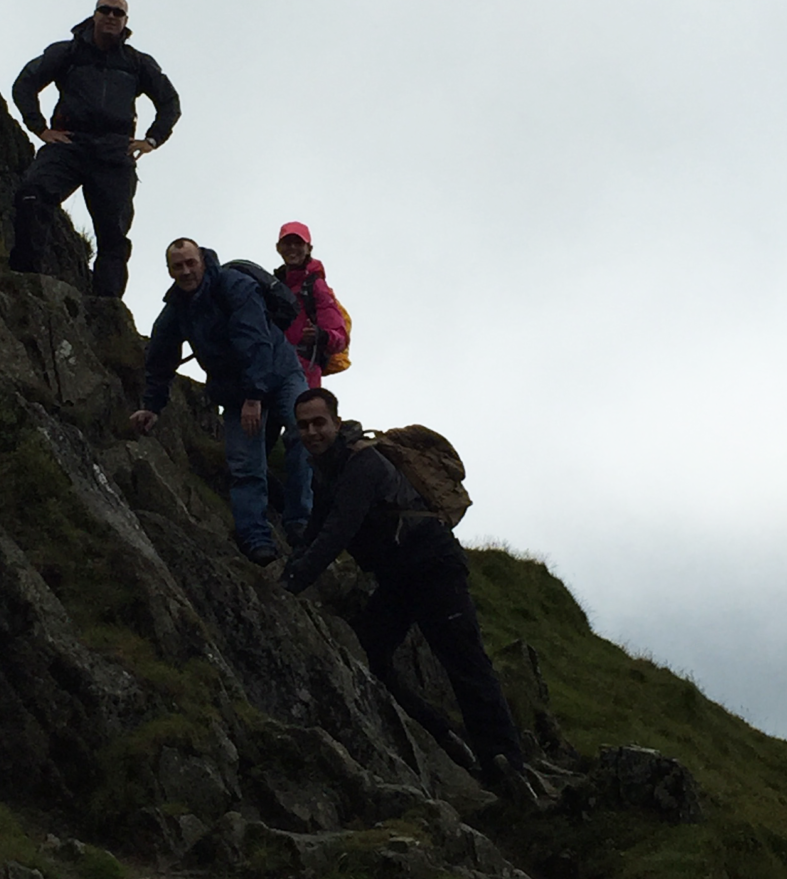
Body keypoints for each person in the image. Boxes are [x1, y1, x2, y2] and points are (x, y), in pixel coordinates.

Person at [280, 387, 528, 792]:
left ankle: (507, 767)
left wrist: (288, 586)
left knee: (464, 663)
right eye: (304, 425)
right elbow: (314, 533)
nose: (311, 432)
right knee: (369, 654)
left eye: (318, 422)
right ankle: (443, 735)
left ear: (336, 423)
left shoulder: (362, 465)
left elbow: (336, 533)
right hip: (398, 579)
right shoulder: (328, 471)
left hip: (434, 568)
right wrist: (288, 571)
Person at [131, 239, 312, 564]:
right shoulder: (176, 310)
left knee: (303, 434)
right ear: (170, 271)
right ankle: (256, 540)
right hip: (235, 390)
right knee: (245, 465)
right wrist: (151, 406)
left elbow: (254, 339)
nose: (186, 271)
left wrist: (254, 395)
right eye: (178, 266)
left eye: (190, 263)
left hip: (280, 371)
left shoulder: (236, 286)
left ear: (203, 261)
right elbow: (159, 360)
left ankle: (300, 523)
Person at [8, 0, 181, 297]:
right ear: (94, 15)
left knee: (113, 237)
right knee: (31, 195)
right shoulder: (67, 52)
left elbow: (169, 102)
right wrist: (39, 128)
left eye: (118, 12)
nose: (112, 16)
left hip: (115, 152)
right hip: (69, 142)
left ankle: (106, 313)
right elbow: (25, 83)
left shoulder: (137, 63)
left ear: (126, 22)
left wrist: (152, 140)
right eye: (106, 10)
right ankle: (24, 282)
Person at [272, 221, 347, 388]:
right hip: (274, 371)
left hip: (305, 376)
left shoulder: (316, 286)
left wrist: (320, 335)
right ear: (278, 248)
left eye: (298, 243)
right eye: (287, 243)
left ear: (309, 248)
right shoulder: (275, 286)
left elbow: (340, 338)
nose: (292, 248)